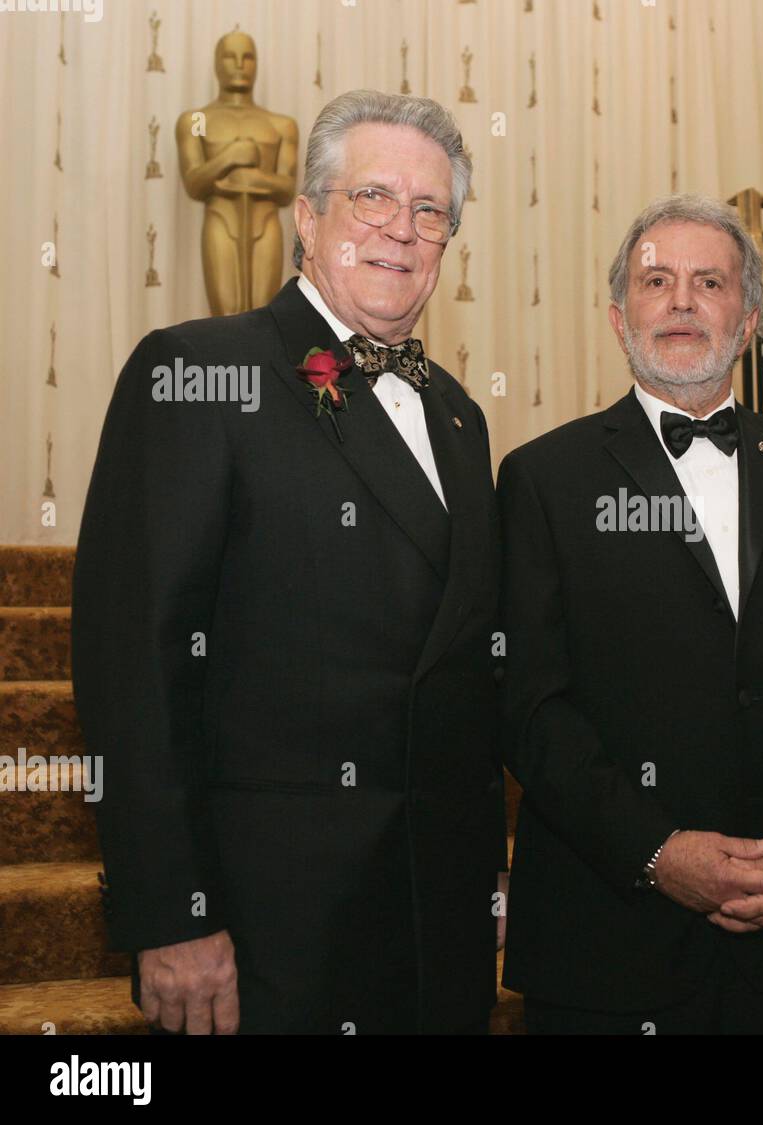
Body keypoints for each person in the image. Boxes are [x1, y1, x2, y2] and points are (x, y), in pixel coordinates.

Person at [72, 90, 505, 1035]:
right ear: (307, 219)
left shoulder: (462, 419)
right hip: (273, 937)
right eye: (371, 199)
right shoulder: (198, 372)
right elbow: (131, 666)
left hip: (440, 938)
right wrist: (172, 912)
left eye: (431, 211)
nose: (402, 229)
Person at [497, 194, 763, 1034]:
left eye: (709, 281)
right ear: (620, 319)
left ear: (751, 317)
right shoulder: (542, 479)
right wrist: (658, 854)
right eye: (657, 280)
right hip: (607, 949)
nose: (682, 301)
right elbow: (530, 707)